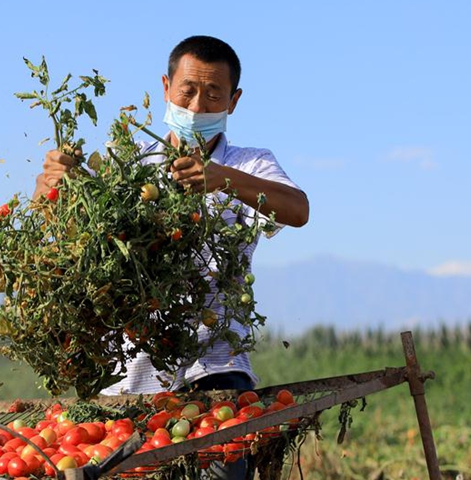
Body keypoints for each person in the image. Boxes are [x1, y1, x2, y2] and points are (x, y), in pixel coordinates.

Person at [34, 31, 308, 410]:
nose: (197, 107)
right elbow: (62, 236)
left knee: (222, 460)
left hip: (215, 366)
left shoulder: (249, 164)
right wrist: (49, 187)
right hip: (126, 377)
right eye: (187, 91)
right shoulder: (124, 163)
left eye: (214, 95)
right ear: (166, 88)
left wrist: (223, 179)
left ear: (234, 101)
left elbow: (298, 210)